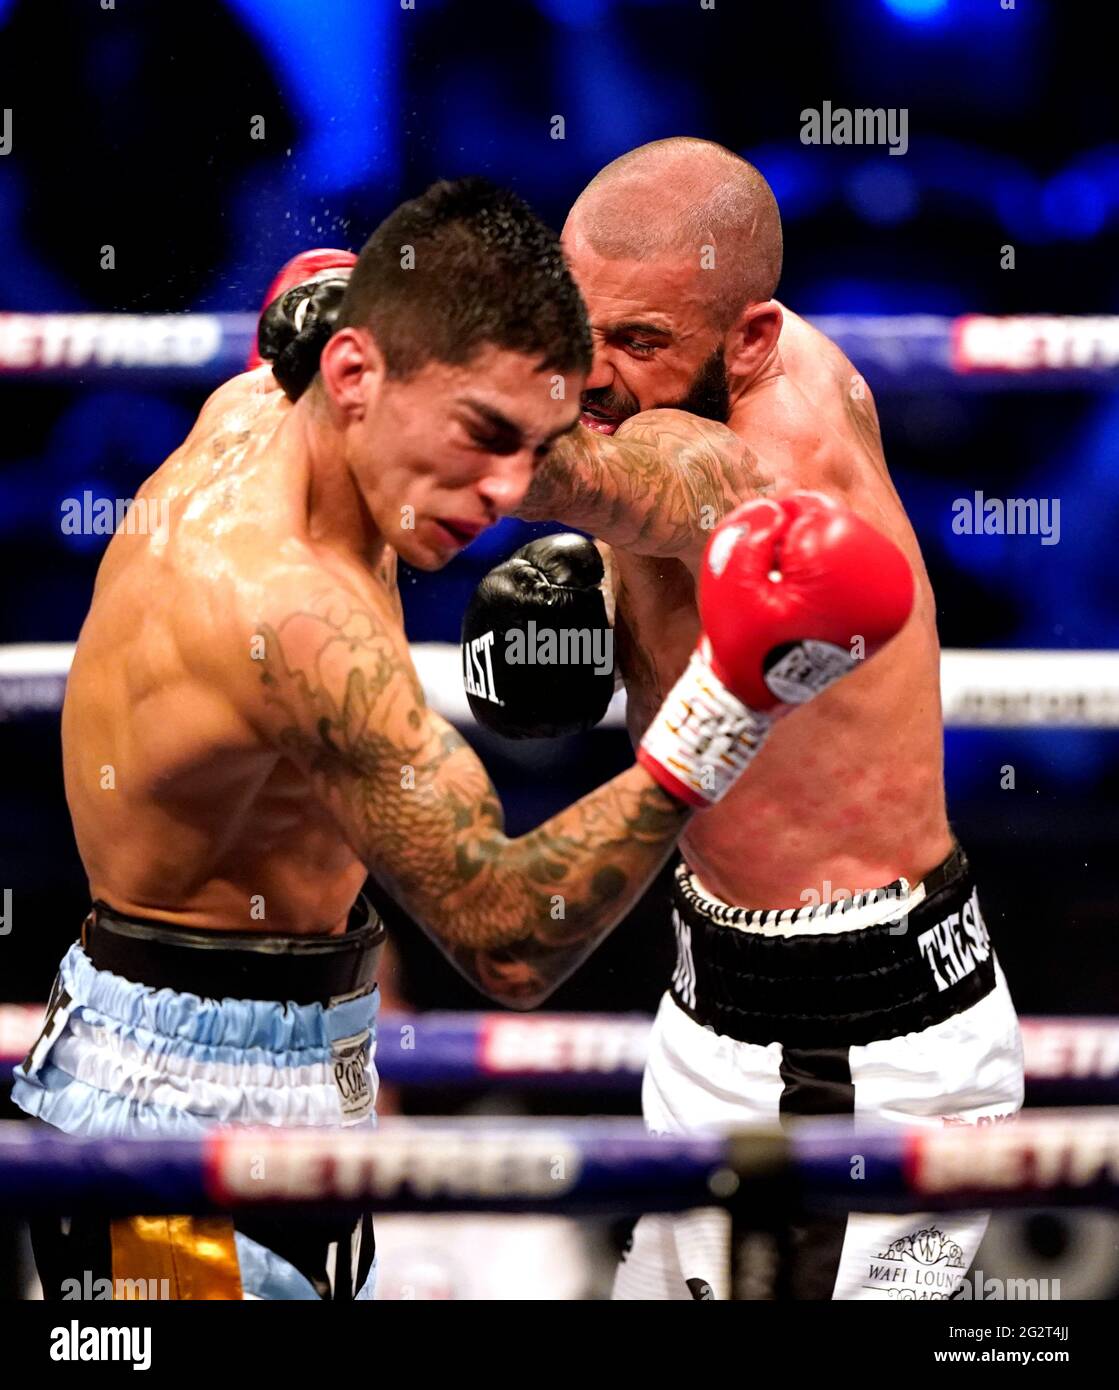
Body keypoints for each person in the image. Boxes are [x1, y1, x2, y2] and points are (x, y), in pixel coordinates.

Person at [13, 176, 911, 1300]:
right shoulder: (285, 613)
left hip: (294, 1064)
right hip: (172, 1137)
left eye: (528, 452)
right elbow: (506, 935)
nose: (500, 495)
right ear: (355, 376)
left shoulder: (284, 408)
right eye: (482, 438)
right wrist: (726, 706)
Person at [463, 139, 1025, 1300]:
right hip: (723, 998)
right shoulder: (700, 354)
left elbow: (645, 485)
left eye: (640, 344)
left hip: (843, 1052)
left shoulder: (774, 453)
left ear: (752, 338)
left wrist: (435, 415)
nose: (596, 372)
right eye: (579, 325)